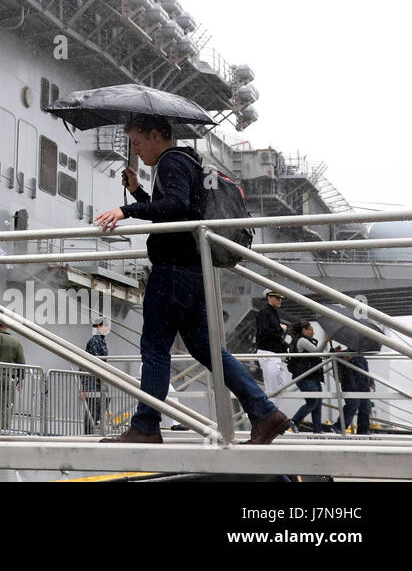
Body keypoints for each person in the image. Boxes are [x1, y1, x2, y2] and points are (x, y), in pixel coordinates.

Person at [94, 114, 288, 444]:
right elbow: (181, 212)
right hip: (195, 270)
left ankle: (145, 426)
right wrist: (139, 191)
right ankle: (264, 412)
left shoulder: (170, 162)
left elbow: (175, 205)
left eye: (138, 142)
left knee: (154, 348)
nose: (136, 151)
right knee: (207, 349)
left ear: (156, 134)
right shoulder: (188, 162)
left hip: (172, 270)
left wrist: (126, 210)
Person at [287, 320, 326, 433]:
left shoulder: (302, 340)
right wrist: (326, 341)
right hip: (305, 376)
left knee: (317, 403)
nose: (313, 333)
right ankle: (294, 421)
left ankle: (317, 430)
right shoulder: (302, 340)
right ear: (304, 330)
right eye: (311, 330)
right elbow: (317, 351)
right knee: (313, 402)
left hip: (312, 376)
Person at [0, 320, 25, 432]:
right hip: (9, 378)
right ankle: (4, 431)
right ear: (7, 326)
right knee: (6, 406)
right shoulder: (15, 341)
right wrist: (21, 377)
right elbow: (21, 363)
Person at [255, 290, 291, 397]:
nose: (280, 300)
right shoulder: (266, 312)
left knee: (279, 388)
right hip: (268, 354)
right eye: (277, 298)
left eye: (280, 298)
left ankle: (271, 411)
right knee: (274, 389)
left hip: (272, 354)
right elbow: (265, 332)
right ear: (269, 298)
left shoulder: (271, 311)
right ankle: (270, 412)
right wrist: (280, 328)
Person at [334, 344, 374, 435]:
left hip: (363, 387)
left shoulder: (361, 357)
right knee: (352, 405)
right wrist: (335, 353)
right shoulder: (344, 354)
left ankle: (363, 430)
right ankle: (339, 426)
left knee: (366, 408)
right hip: (351, 385)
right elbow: (334, 361)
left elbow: (366, 371)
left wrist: (371, 381)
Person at [80, 318, 110, 434]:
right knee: (93, 404)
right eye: (105, 326)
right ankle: (88, 432)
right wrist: (99, 378)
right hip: (90, 377)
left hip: (98, 378)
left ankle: (95, 425)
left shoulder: (102, 341)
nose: (107, 328)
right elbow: (95, 361)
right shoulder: (94, 341)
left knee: (104, 399)